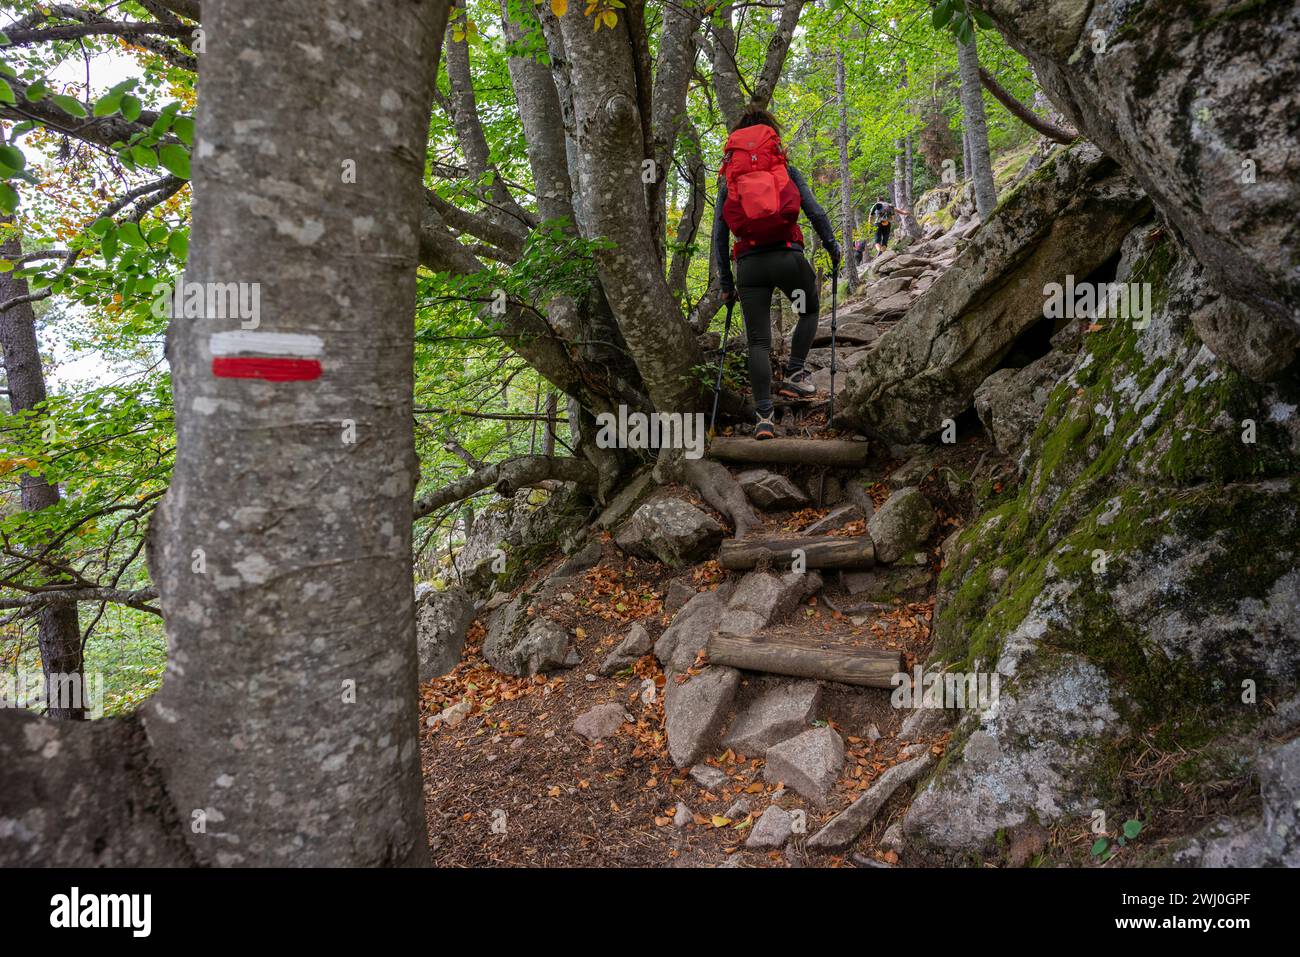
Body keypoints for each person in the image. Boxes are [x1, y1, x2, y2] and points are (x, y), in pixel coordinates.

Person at [714, 107, 841, 441]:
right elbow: (813, 210)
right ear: (771, 136)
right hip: (787, 257)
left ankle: (764, 418)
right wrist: (832, 246)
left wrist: (726, 283)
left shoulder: (730, 178)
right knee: (809, 309)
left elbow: (719, 234)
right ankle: (796, 373)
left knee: (758, 341)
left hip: (750, 266)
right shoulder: (784, 169)